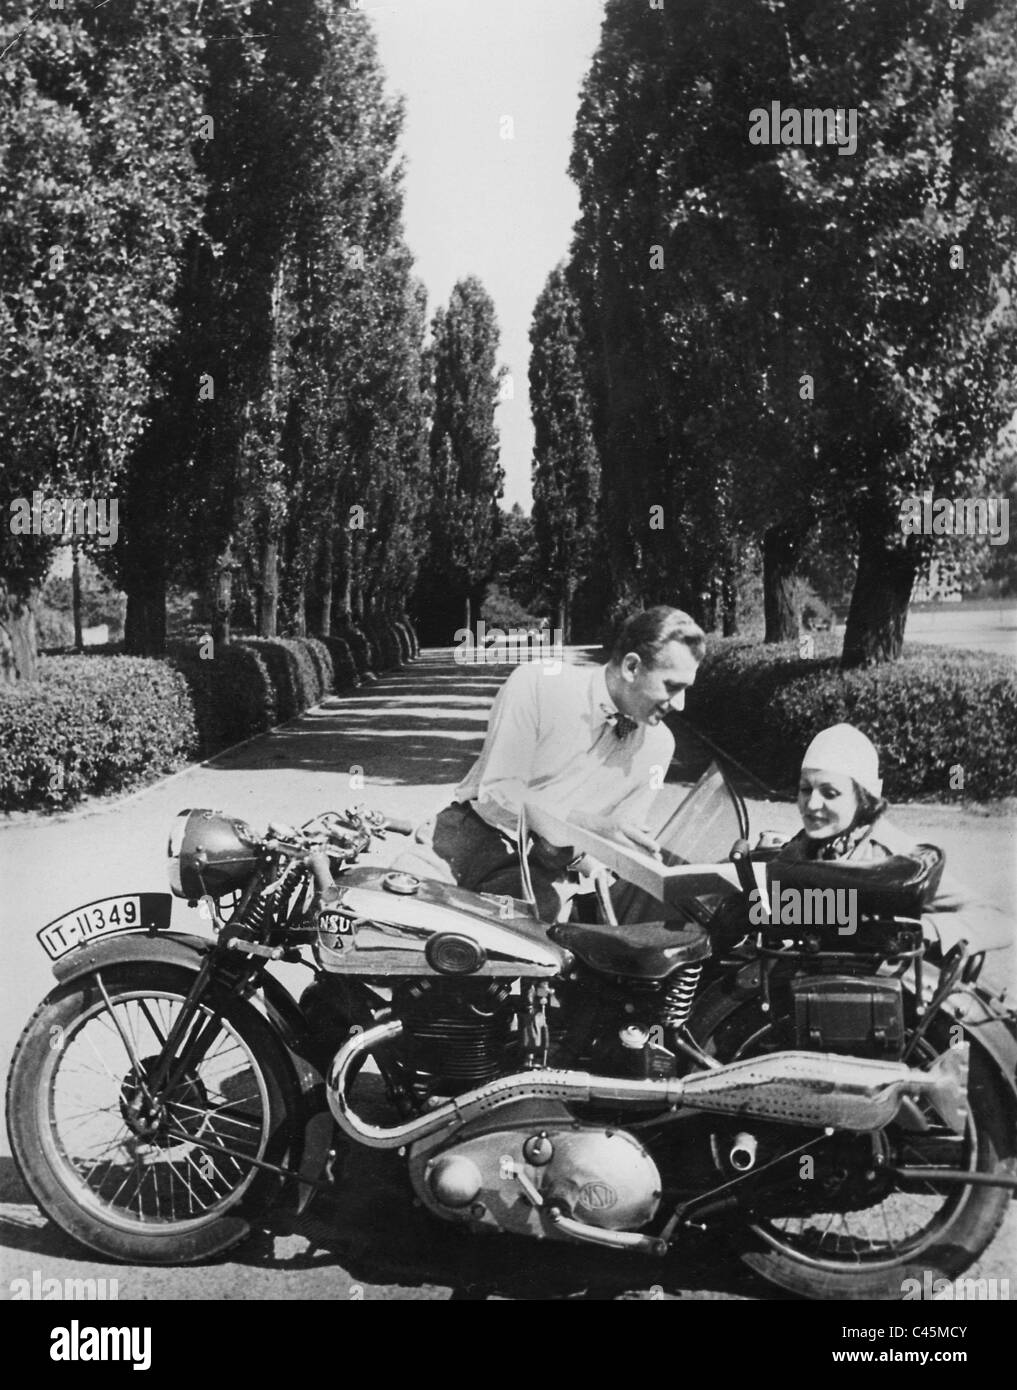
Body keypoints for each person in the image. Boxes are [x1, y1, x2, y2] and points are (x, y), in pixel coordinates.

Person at [400, 606, 706, 919]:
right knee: (391, 921)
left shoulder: (659, 745)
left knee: (535, 957)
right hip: (464, 841)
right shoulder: (538, 683)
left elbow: (618, 841)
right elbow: (500, 791)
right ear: (631, 667)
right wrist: (591, 826)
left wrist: (633, 859)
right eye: (672, 686)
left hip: (544, 873)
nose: (680, 704)